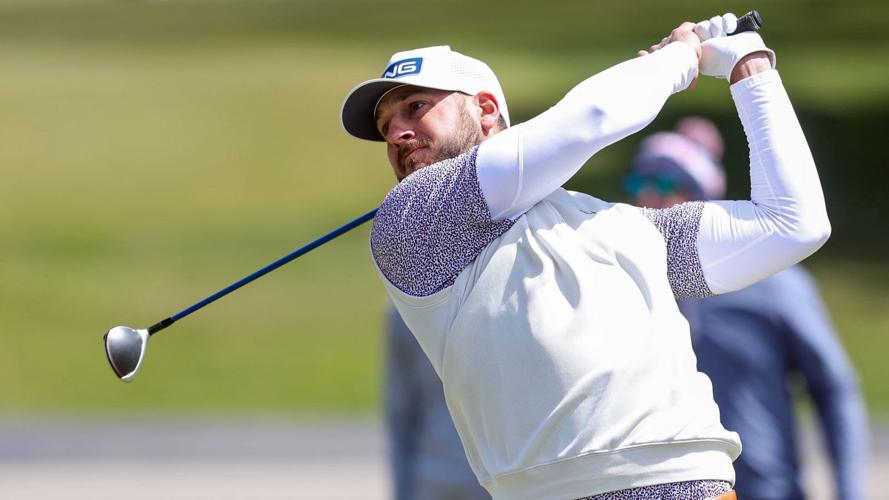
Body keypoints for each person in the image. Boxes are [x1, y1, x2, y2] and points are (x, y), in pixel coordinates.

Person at [341, 12, 831, 499]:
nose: (397, 133)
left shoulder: (623, 226)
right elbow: (591, 120)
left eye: (415, 107)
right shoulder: (412, 221)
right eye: (386, 127)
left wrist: (751, 71)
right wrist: (679, 59)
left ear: (486, 110)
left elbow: (792, 224)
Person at [625, 119, 870, 500]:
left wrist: (850, 491)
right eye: (641, 184)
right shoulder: (623, 284)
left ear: (705, 197)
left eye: (669, 186)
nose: (650, 200)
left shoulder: (771, 282)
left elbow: (832, 386)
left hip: (766, 489)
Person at [385, 306, 491, 500]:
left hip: (444, 473)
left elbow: (401, 414)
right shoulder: (404, 309)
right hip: (453, 476)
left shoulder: (404, 304)